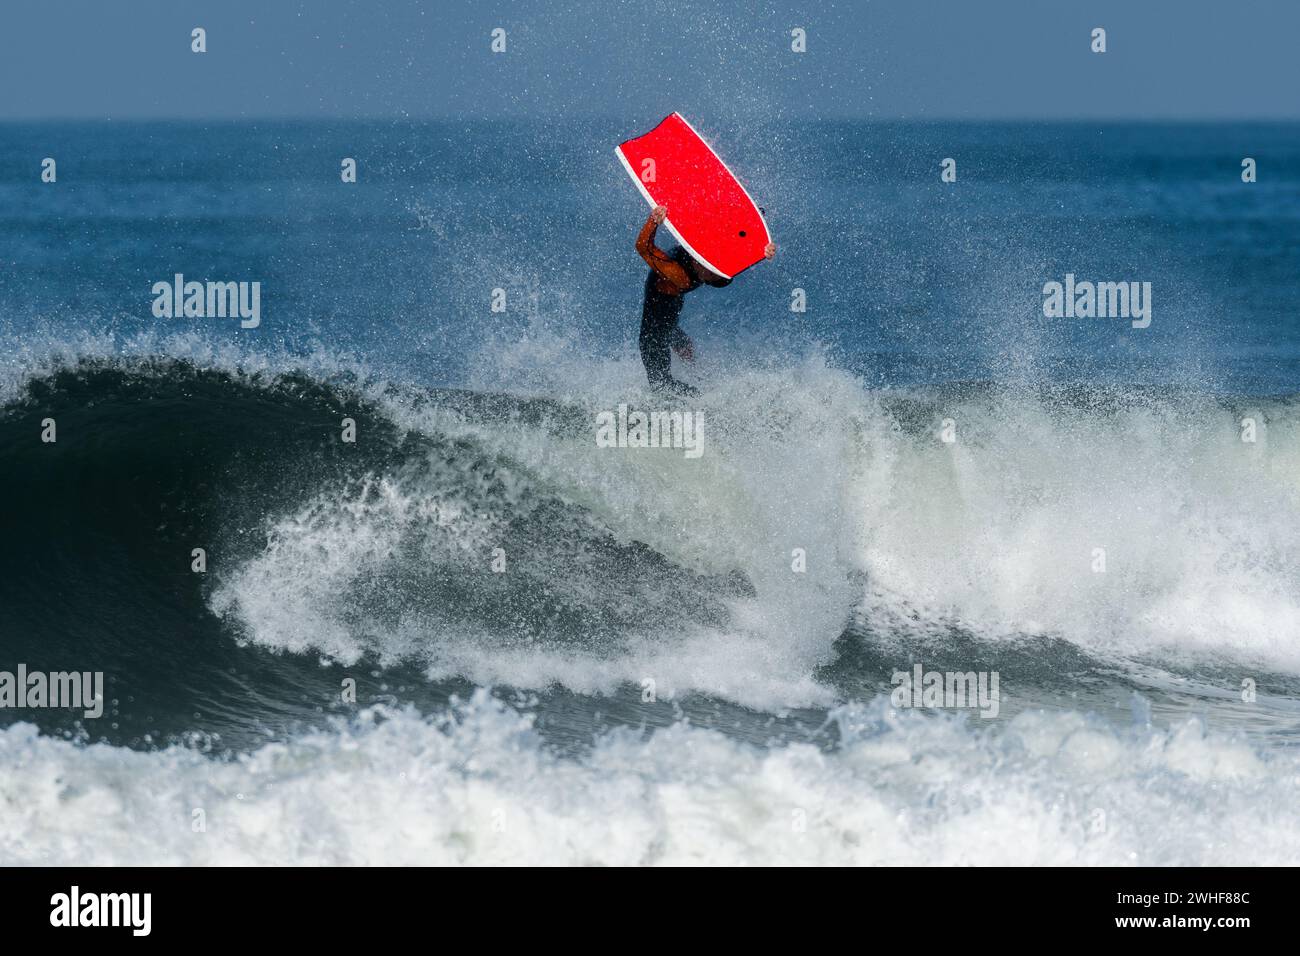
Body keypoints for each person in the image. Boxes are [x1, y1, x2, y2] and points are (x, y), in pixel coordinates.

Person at [635, 205, 775, 395]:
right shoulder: (691, 266)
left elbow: (643, 246)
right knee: (671, 364)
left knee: (671, 365)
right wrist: (653, 220)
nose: (712, 268)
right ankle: (700, 389)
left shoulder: (694, 267)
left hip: (664, 318)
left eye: (713, 271)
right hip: (662, 315)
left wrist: (653, 220)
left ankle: (699, 385)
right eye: (713, 269)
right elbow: (642, 247)